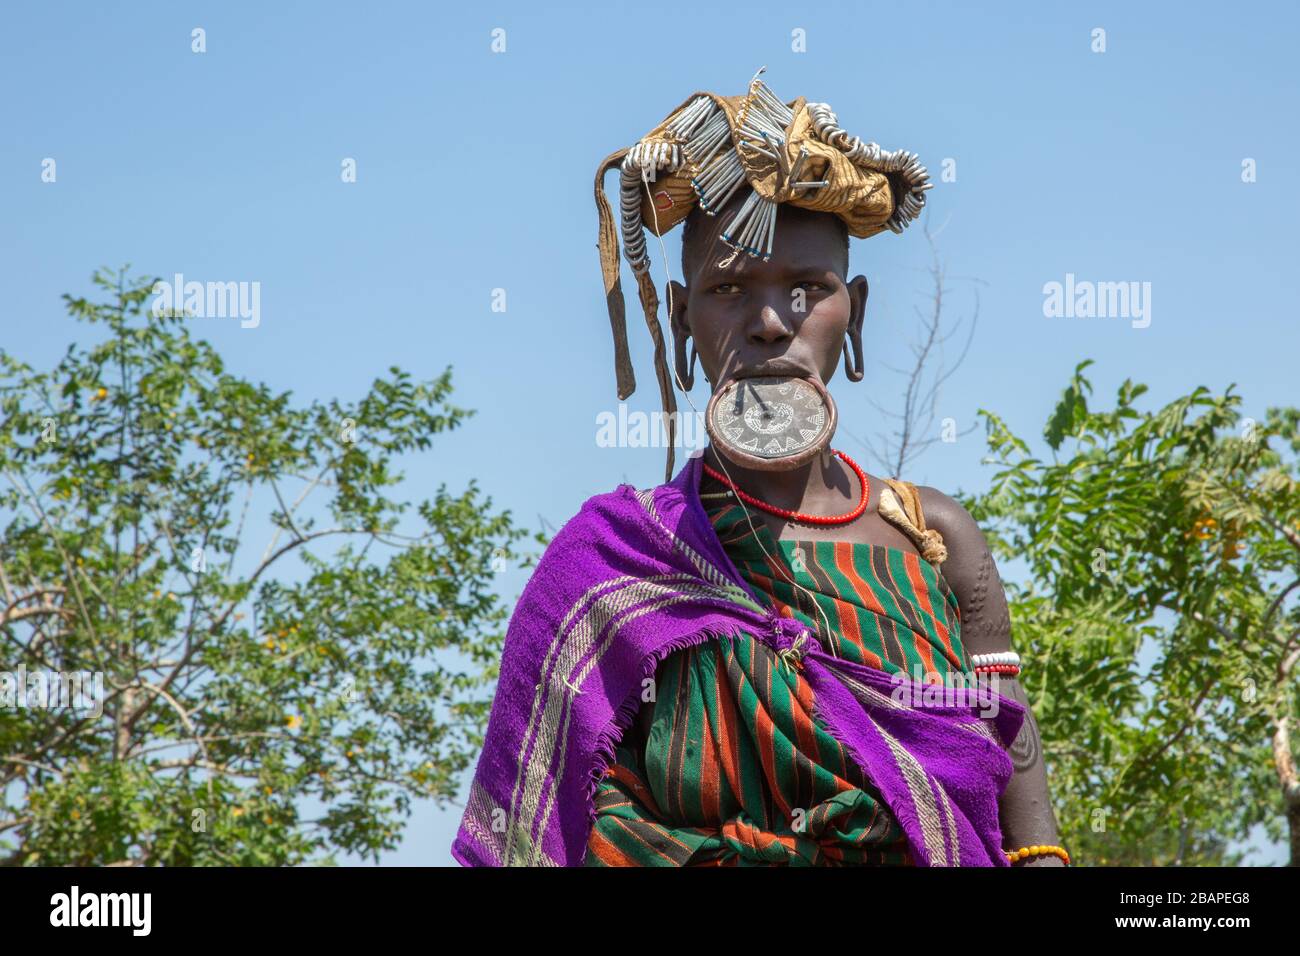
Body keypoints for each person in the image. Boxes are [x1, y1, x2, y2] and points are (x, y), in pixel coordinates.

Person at [451, 69, 1064, 867]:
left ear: (858, 313)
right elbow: (541, 826)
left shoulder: (934, 536)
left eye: (809, 288)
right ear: (681, 318)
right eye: (729, 289)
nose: (772, 323)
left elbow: (1005, 735)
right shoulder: (615, 560)